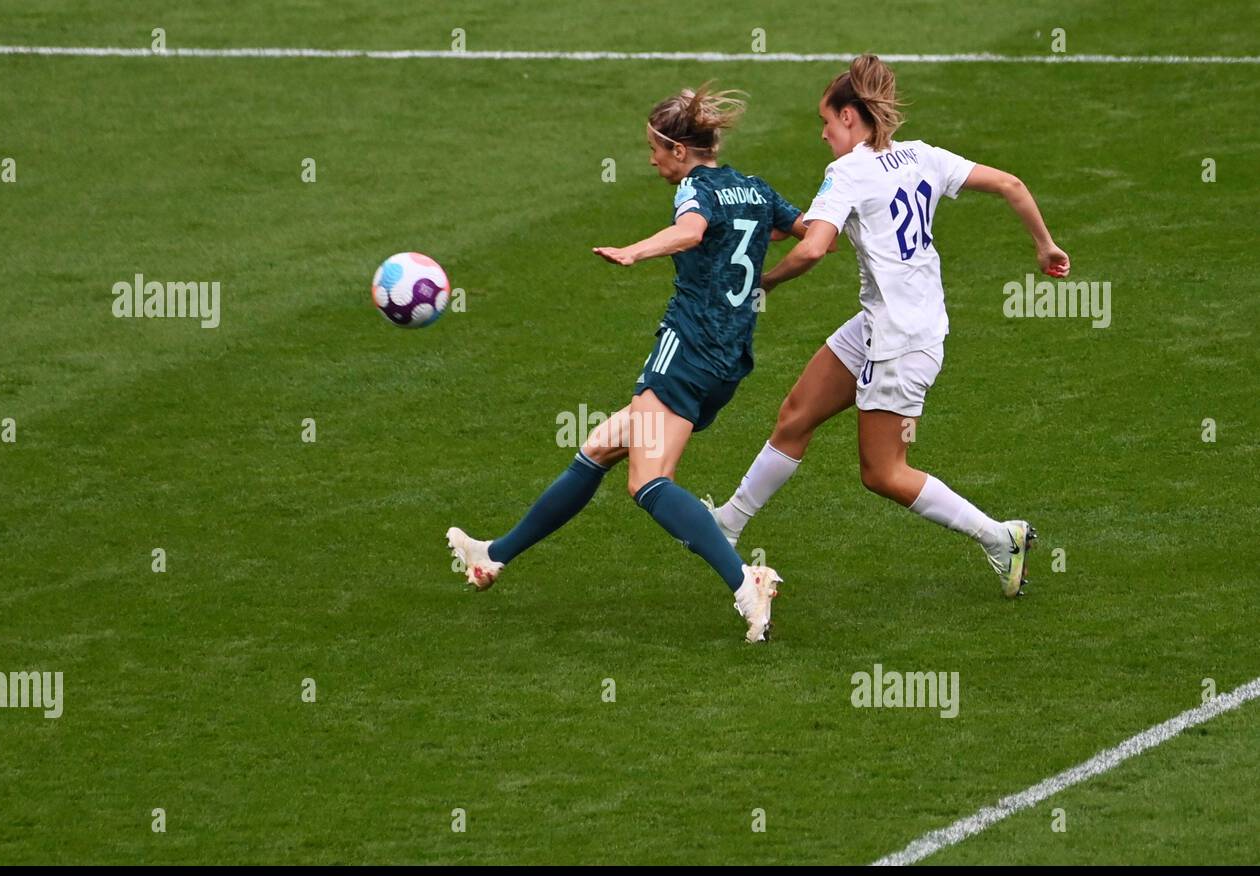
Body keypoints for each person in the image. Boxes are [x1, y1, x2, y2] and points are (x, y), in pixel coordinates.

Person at [448, 84, 803, 642]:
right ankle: (494, 555)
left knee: (649, 483)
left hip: (686, 351)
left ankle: (745, 581)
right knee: (599, 448)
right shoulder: (754, 190)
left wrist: (635, 251)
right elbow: (804, 233)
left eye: (656, 149)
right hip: (730, 360)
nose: (652, 159)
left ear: (681, 152)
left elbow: (690, 231)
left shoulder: (695, 190)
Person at [709, 54, 1070, 597]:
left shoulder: (847, 171)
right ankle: (729, 523)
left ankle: (1000, 537)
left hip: (900, 343)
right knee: (796, 415)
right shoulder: (921, 156)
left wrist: (762, 284)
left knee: (882, 471)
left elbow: (813, 251)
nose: (823, 134)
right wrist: (1045, 246)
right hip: (891, 324)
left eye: (827, 122)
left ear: (851, 118)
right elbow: (1012, 184)